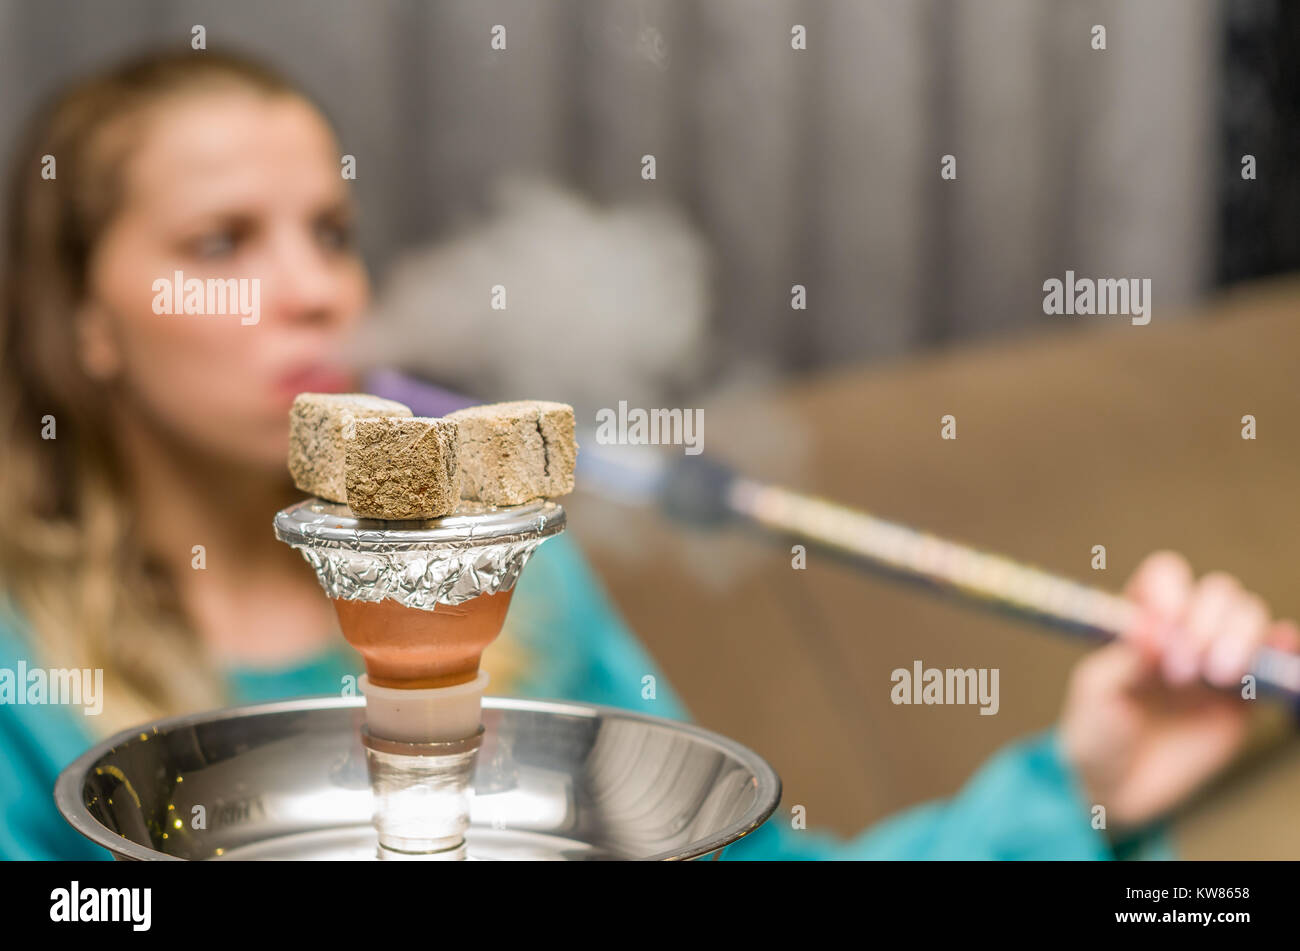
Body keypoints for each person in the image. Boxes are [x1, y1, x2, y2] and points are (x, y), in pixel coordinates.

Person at [1, 49, 1295, 861]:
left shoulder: (514, 581)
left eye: (331, 233)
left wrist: (1082, 785)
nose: (314, 292)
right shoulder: (24, 668)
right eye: (221, 245)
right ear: (89, 322)